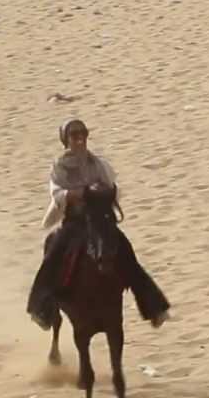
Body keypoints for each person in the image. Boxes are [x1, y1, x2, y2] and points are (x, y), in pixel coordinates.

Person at [27, 118, 170, 330]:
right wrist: (75, 194)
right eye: (74, 136)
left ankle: (154, 307)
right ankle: (42, 309)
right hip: (74, 223)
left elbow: (113, 187)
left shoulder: (97, 163)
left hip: (98, 219)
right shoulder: (60, 166)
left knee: (127, 254)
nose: (79, 140)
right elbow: (56, 193)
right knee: (53, 255)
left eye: (82, 135)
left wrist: (101, 192)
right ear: (66, 140)